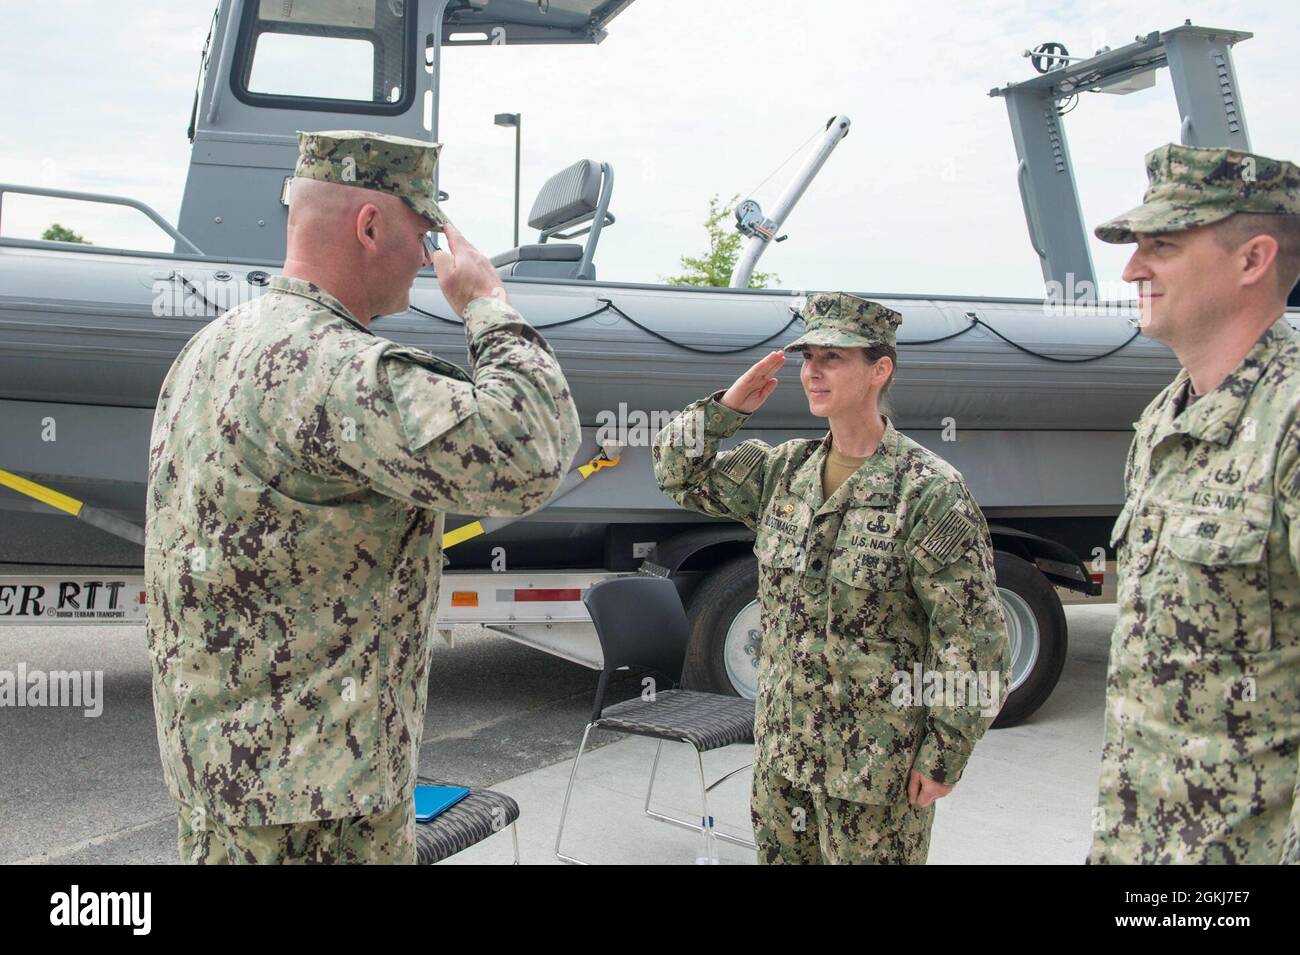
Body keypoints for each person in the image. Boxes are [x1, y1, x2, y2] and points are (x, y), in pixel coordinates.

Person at [145, 130, 581, 863]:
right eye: (423, 230)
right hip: (318, 807)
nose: (426, 255)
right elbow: (530, 453)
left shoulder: (210, 347)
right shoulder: (340, 369)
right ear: (371, 225)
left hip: (222, 779)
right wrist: (488, 306)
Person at [653, 292, 1010, 864]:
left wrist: (945, 755)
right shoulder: (782, 471)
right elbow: (675, 471)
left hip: (875, 770)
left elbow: (973, 640)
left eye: (833, 357)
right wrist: (726, 408)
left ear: (880, 370)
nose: (812, 371)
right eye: (807, 356)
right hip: (782, 759)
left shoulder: (928, 490)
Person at [1087, 143, 1300, 864]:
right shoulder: (1161, 421)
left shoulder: (1291, 421)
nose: (1131, 269)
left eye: (1163, 245)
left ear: (1253, 259)